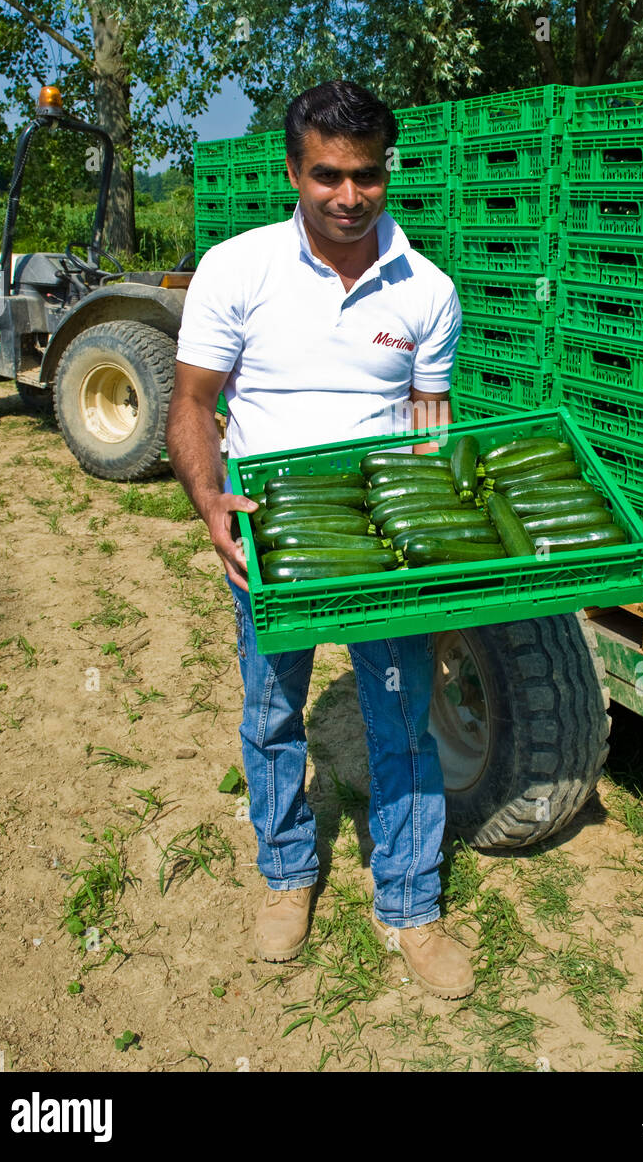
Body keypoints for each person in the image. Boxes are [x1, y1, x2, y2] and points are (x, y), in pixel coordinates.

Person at [166, 80, 474, 999]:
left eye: (367, 176)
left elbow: (429, 424)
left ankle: (412, 906)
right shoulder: (236, 269)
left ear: (388, 172)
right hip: (268, 532)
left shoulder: (427, 290)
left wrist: (445, 572)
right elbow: (190, 402)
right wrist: (209, 501)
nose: (349, 197)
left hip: (380, 534)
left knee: (403, 721)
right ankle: (287, 874)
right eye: (328, 177)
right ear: (294, 172)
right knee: (270, 714)